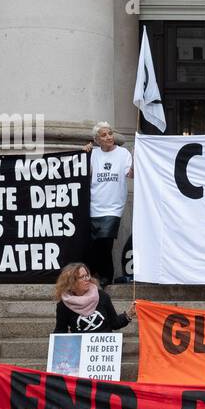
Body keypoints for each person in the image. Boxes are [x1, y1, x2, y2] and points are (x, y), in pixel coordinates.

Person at [82, 122, 132, 288]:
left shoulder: (123, 153)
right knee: (94, 244)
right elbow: (82, 173)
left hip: (113, 207)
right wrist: (83, 154)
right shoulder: (94, 154)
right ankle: (94, 274)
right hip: (94, 205)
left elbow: (131, 174)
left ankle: (105, 276)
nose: (109, 137)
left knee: (105, 241)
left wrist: (138, 159)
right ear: (97, 140)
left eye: (110, 133)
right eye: (104, 135)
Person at [54, 262, 136, 333]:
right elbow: (60, 331)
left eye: (87, 275)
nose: (87, 279)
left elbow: (114, 323)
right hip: (81, 348)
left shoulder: (102, 296)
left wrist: (129, 314)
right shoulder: (64, 304)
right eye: (82, 277)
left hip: (103, 346)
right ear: (72, 281)